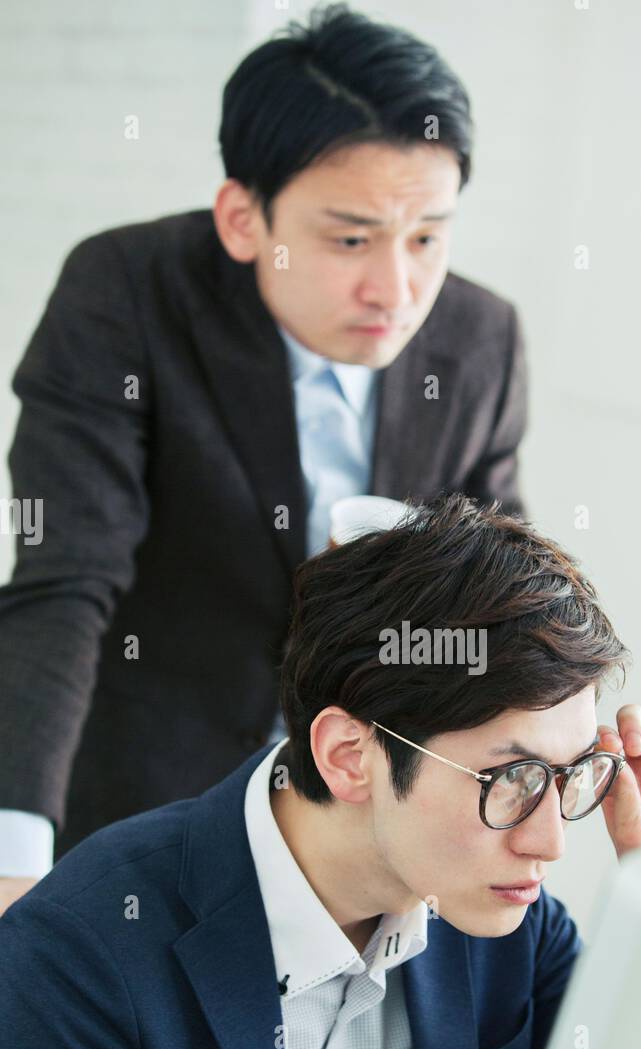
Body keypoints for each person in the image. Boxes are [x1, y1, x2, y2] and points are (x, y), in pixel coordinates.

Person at [0, 496, 641, 1049]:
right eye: (512, 779)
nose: (551, 840)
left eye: (570, 775)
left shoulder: (510, 920)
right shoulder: (74, 961)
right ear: (349, 756)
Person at [0, 2, 528, 909]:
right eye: (351, 238)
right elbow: (65, 583)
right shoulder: (124, 292)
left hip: (366, 832)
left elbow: (498, 605)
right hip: (137, 796)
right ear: (244, 220)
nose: (397, 288)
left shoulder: (481, 338)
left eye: (429, 237)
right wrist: (14, 851)